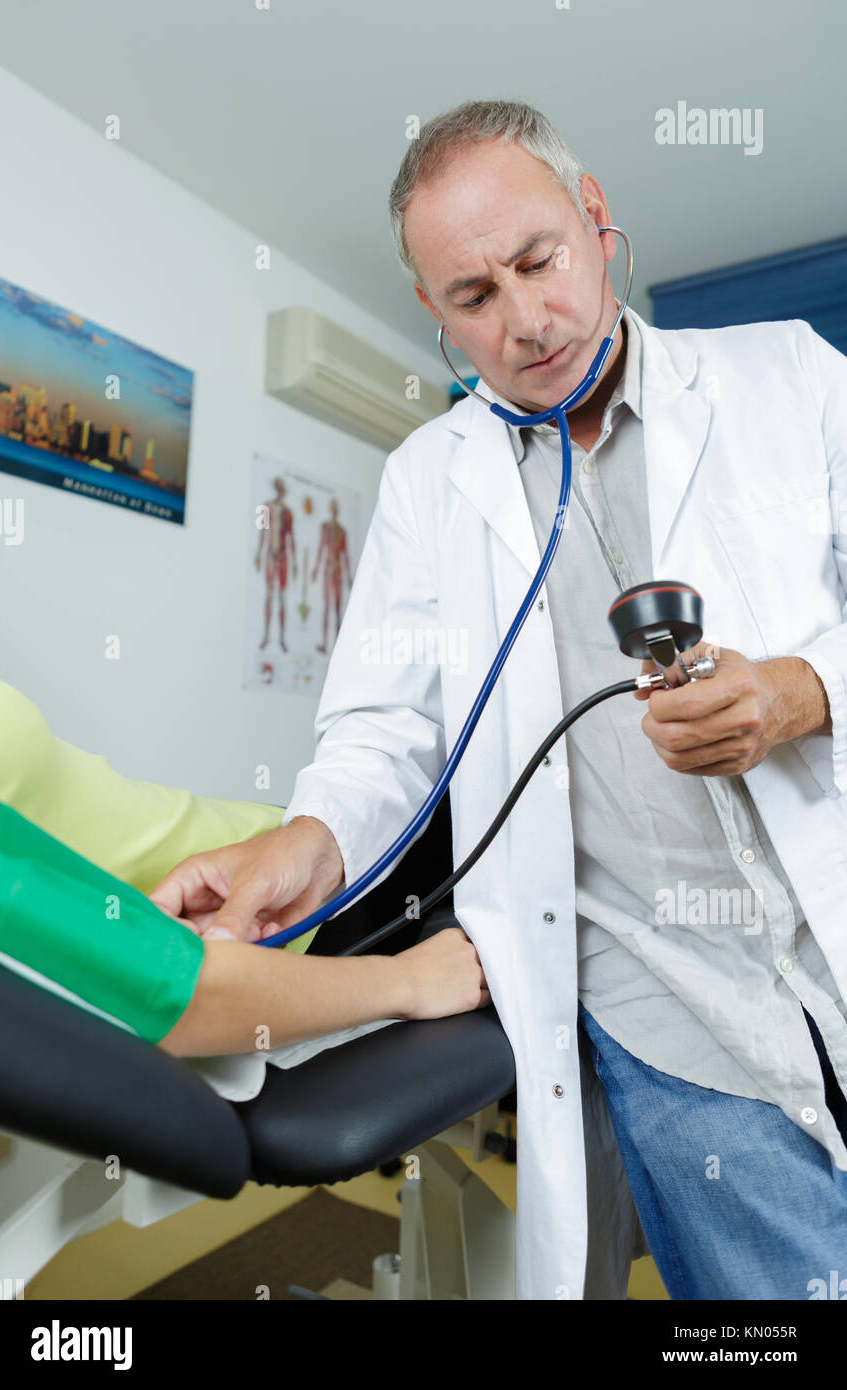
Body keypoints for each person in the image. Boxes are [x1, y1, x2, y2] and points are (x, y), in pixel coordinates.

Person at [150, 100, 847, 1300]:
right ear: (432, 312)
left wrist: (800, 690)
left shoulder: (785, 373)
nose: (525, 320)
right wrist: (306, 841)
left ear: (596, 223)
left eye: (538, 261)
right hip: (659, 998)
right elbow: (386, 727)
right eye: (472, 296)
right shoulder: (428, 481)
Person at [0, 673, 489, 1064]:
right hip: (296, 943)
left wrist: (308, 837)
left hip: (287, 849)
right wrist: (410, 982)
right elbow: (175, 988)